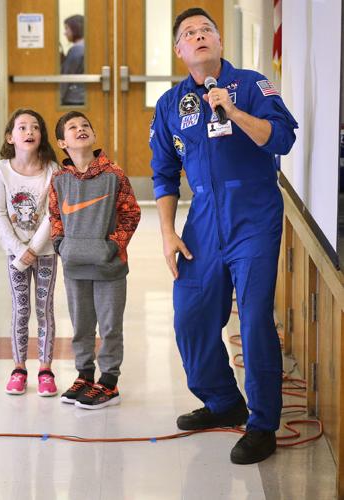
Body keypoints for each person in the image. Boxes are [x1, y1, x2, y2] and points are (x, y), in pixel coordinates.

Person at [149, 7, 298, 464]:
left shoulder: (251, 84)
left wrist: (232, 110)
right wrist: (168, 233)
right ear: (179, 51)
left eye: (206, 30)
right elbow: (164, 172)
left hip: (252, 215)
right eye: (188, 33)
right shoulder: (171, 104)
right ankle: (222, 401)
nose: (198, 37)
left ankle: (262, 423)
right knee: (190, 315)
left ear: (219, 41)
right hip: (204, 220)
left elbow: (283, 138)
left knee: (253, 322)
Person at [50, 110, 140, 409]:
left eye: (85, 125)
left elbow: (131, 213)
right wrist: (61, 244)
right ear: (62, 142)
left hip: (109, 266)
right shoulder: (59, 180)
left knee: (110, 325)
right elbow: (54, 216)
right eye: (72, 128)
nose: (81, 129)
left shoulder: (114, 174)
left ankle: (109, 381)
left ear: (93, 135)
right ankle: (84, 375)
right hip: (75, 266)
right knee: (81, 324)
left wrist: (112, 247)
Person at [0, 109, 60, 396]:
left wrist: (33, 249)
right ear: (11, 137)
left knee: (44, 309)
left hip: (44, 252)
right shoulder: (1, 169)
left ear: (41, 135)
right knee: (21, 309)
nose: (29, 132)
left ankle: (45, 369)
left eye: (35, 127)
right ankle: (19, 368)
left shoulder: (52, 169)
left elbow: (52, 213)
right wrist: (20, 250)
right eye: (22, 128)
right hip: (14, 254)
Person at [60, 15, 85, 106]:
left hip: (73, 99)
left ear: (75, 29)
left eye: (67, 28)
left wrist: (58, 98)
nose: (65, 33)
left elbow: (66, 77)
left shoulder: (76, 49)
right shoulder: (86, 46)